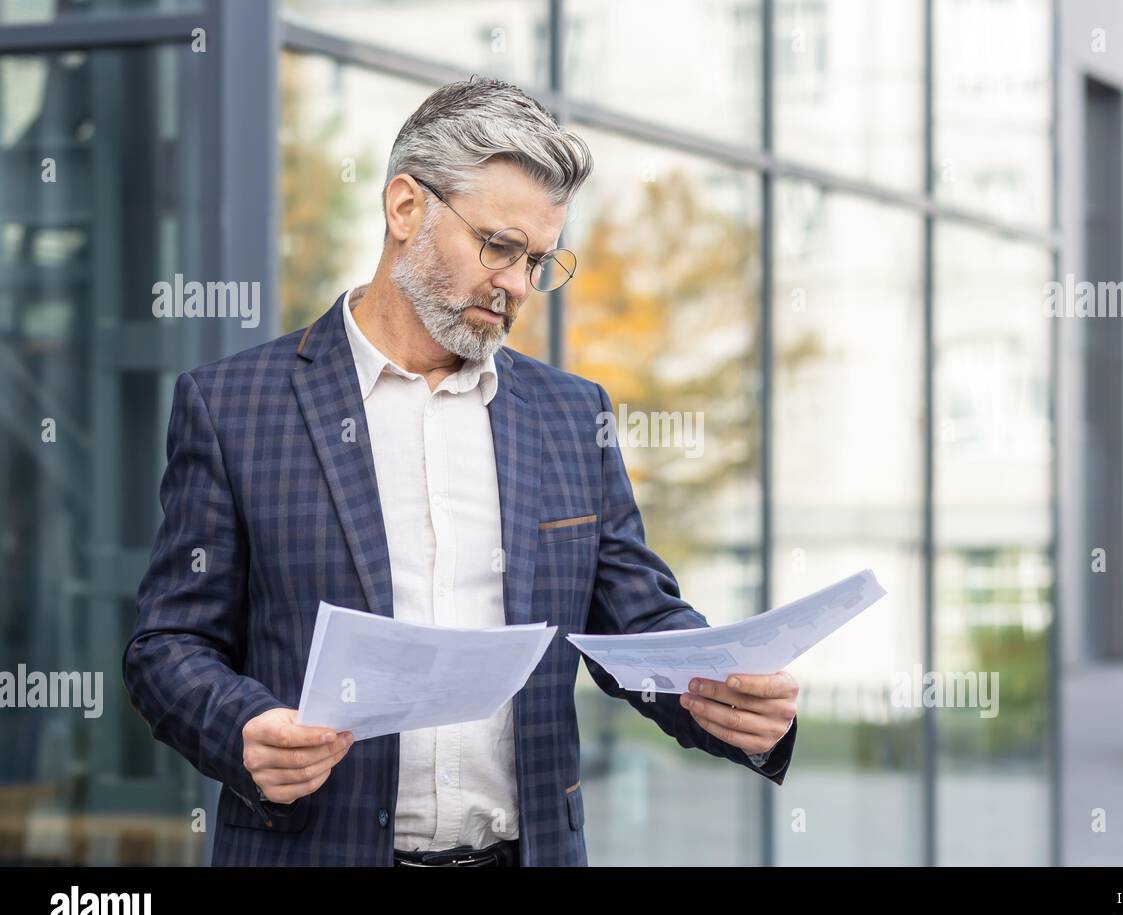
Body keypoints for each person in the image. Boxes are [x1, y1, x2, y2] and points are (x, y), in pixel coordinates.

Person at [123, 77, 797, 867]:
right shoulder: (234, 406)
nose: (517, 284)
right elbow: (167, 644)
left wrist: (722, 690)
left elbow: (636, 621)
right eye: (498, 247)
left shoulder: (571, 416)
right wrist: (241, 728)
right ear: (406, 208)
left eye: (539, 261)